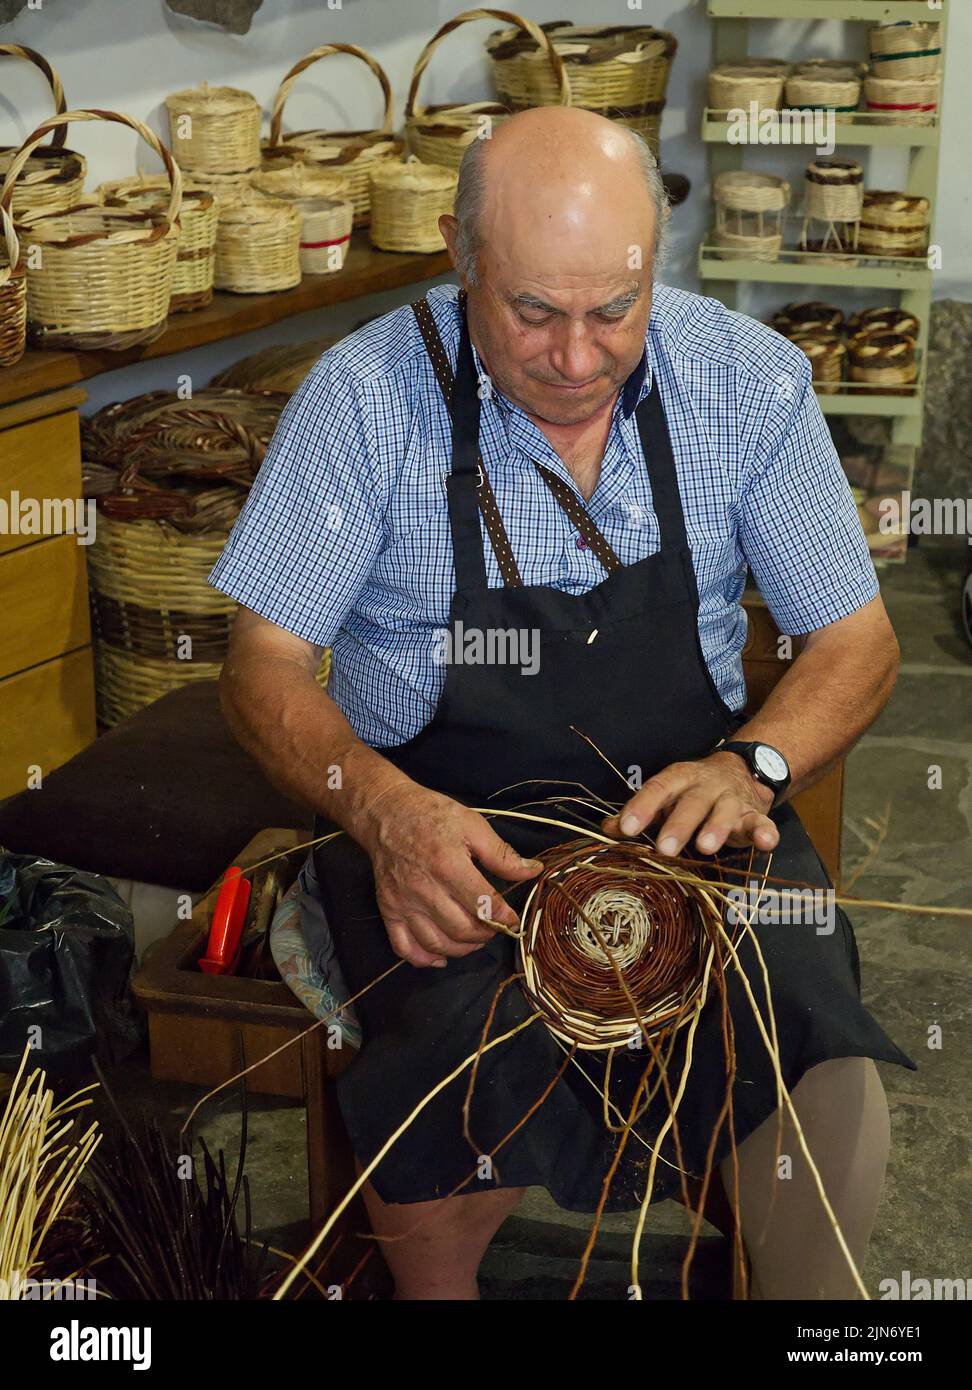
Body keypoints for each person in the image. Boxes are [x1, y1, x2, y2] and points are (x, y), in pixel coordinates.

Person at [210, 106, 915, 1300]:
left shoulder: (745, 381)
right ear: (459, 255)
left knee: (808, 1058)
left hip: (692, 835)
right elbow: (261, 669)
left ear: (657, 263)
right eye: (531, 312)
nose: (577, 359)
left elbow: (857, 638)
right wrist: (382, 815)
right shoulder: (363, 401)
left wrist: (756, 767)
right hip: (450, 851)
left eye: (614, 311)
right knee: (441, 1083)